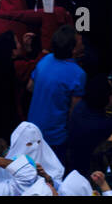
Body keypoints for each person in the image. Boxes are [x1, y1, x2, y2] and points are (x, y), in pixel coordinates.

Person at [27, 25, 87, 167]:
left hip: (32, 130)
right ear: (73, 50)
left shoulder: (45, 60)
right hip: (55, 137)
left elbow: (30, 87)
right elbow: (74, 112)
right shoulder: (78, 74)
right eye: (81, 42)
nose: (83, 45)